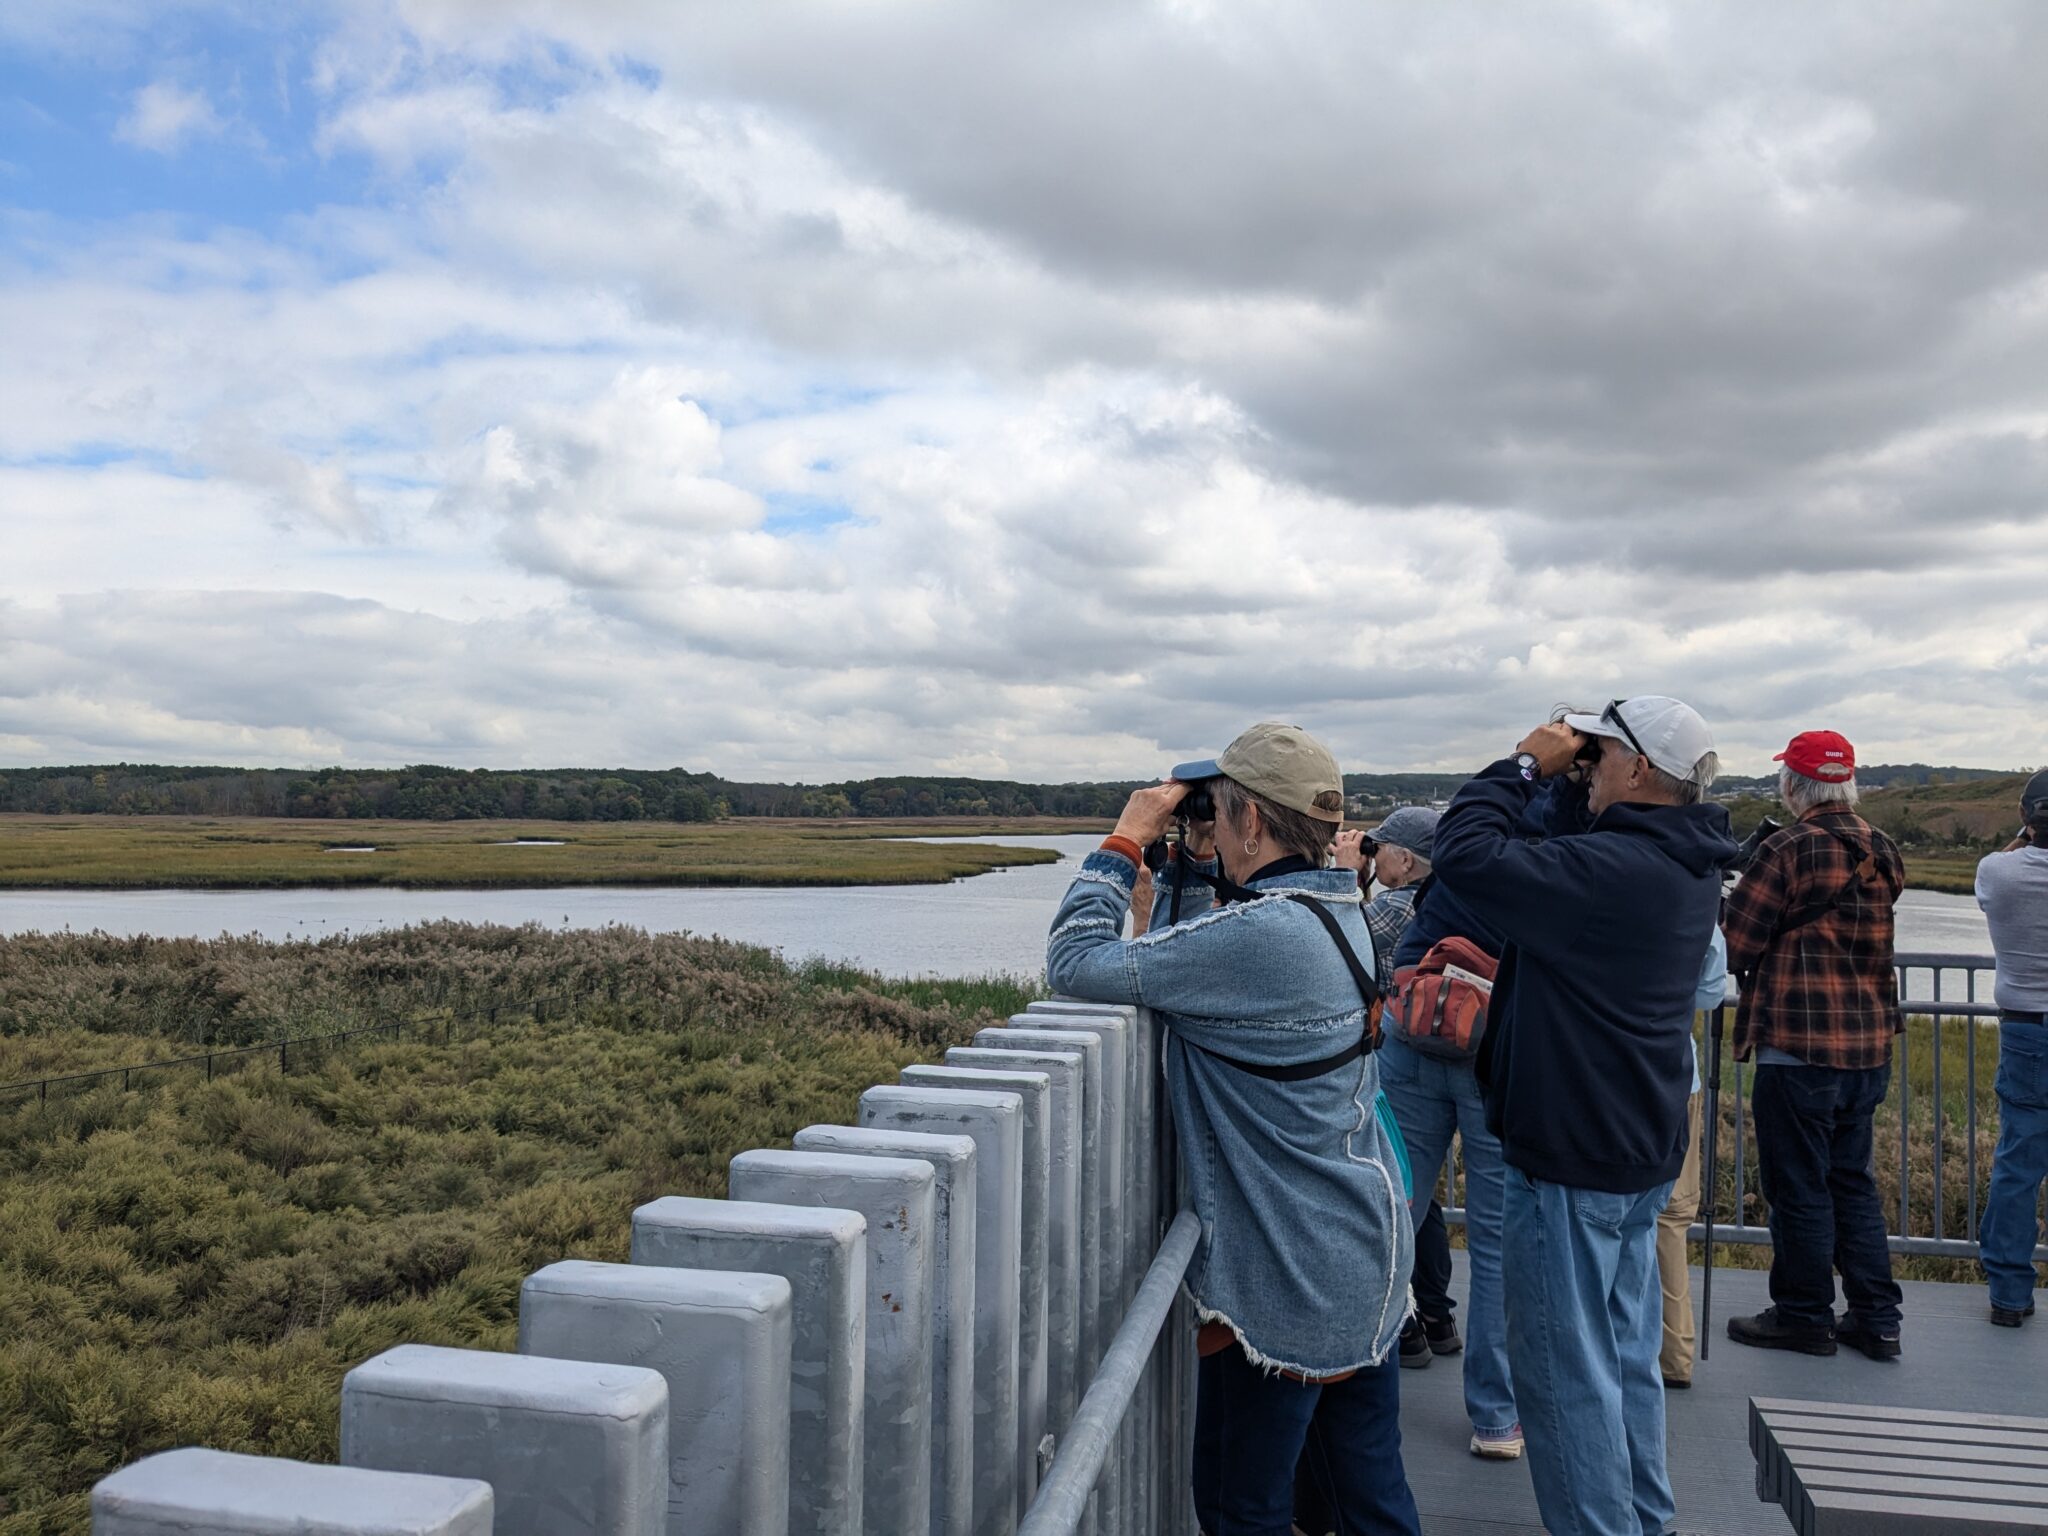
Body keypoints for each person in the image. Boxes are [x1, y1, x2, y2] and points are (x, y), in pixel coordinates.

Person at [1046, 722, 1420, 1536]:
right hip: (1365, 1252)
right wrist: (1194, 859)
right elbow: (1186, 957)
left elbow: (1074, 961)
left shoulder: (1264, 937)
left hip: (1288, 1279)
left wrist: (1125, 842)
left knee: (1240, 1508)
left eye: (1218, 809)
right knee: (1367, 1501)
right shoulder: (1338, 910)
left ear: (1250, 820)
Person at [1431, 696, 1735, 1536]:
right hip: (1634, 1148)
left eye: (1599, 754)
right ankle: (1644, 1520)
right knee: (1624, 1362)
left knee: (1563, 1380)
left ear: (1640, 769)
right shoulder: (1680, 860)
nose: (1586, 764)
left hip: (1572, 1155)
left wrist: (1528, 763)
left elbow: (1465, 853)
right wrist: (1575, 782)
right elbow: (1560, 838)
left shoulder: (1609, 874)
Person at [1722, 730, 1907, 1362]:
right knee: (1852, 1183)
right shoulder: (1881, 847)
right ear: (1847, 783)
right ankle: (1877, 1320)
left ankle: (1803, 1315)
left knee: (1798, 1187)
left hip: (1798, 1047)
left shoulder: (1787, 848)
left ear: (1792, 786)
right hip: (1869, 1046)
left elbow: (1737, 944)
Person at [1343, 804, 1519, 1459]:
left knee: (1394, 1214)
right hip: (1491, 1056)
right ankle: (1496, 1418)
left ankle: (1358, 1384)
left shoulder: (1438, 887)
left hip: (1414, 1044)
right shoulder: (1525, 877)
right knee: (1495, 1241)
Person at [1976, 767, 2048, 1328]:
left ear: (2026, 817)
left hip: (2027, 1033)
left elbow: (2008, 858)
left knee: (2019, 1164)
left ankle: (2009, 1294)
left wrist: (2025, 836)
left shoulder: (1997, 872)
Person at [1655, 929, 1728, 1390]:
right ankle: (1675, 1352)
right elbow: (1711, 992)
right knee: (1671, 1218)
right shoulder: (1698, 910)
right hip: (1681, 1075)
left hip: (1611, 1078)